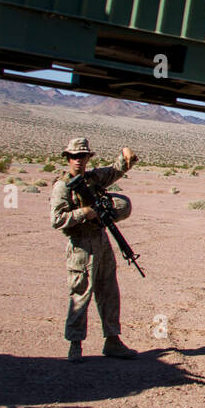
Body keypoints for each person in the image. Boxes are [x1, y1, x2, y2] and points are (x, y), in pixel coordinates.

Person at [50, 137, 139, 362]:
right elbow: (57, 219)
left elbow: (116, 170)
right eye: (74, 156)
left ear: (88, 158)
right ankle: (75, 345)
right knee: (80, 294)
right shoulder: (62, 185)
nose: (78, 160)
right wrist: (85, 213)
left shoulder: (93, 179)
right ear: (67, 158)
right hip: (81, 245)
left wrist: (127, 155)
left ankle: (112, 341)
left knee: (109, 291)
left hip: (101, 240)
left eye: (82, 156)